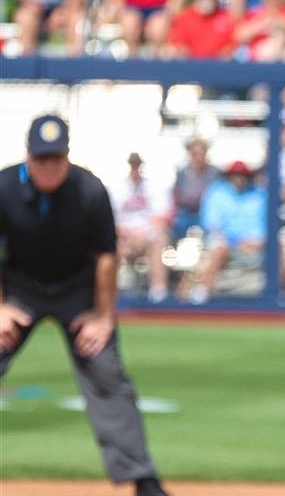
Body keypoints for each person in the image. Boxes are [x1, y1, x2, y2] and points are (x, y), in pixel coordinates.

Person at [0, 115, 170, 496]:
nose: (49, 166)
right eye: (42, 159)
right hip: (19, 290)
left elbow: (106, 256)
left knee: (107, 373)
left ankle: (144, 478)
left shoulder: (89, 190)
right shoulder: (4, 186)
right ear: (28, 157)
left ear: (68, 157)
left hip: (77, 290)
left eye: (56, 158)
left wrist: (102, 316)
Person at [191, 161, 268, 304]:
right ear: (229, 176)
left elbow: (266, 226)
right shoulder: (217, 192)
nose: (239, 178)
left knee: (277, 247)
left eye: (243, 175)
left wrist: (257, 242)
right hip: (228, 244)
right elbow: (212, 224)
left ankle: (281, 298)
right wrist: (237, 241)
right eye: (235, 175)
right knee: (219, 246)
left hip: (256, 246)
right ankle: (201, 296)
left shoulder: (259, 195)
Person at [109, 152, 171, 303]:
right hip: (124, 237)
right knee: (110, 245)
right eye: (132, 165)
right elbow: (109, 219)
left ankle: (158, 293)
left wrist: (143, 234)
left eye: (137, 165)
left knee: (160, 241)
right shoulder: (117, 187)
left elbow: (162, 217)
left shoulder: (154, 186)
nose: (135, 168)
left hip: (148, 236)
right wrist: (128, 235)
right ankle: (109, 293)